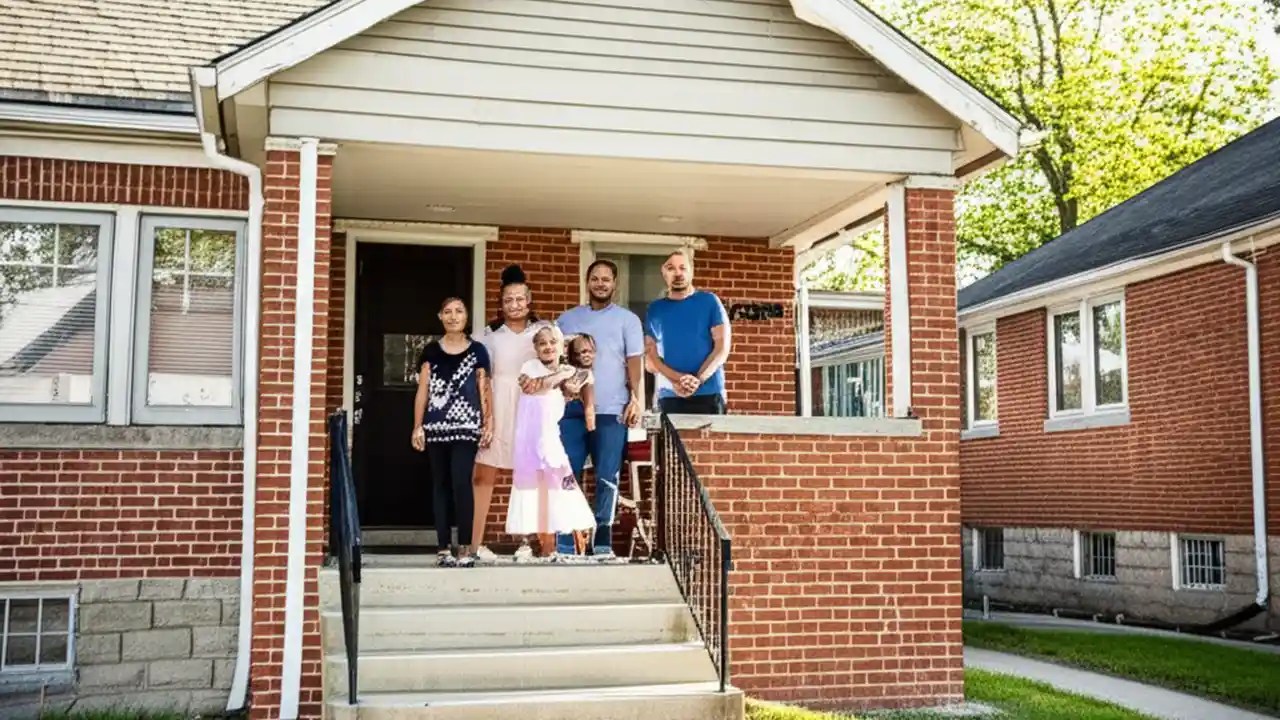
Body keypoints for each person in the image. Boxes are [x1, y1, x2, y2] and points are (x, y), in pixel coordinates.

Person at [553, 259, 644, 561]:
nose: (601, 283)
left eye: (607, 279)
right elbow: (554, 362)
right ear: (587, 281)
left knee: (607, 474)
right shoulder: (566, 320)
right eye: (595, 278)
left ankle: (602, 538)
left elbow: (634, 362)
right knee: (568, 472)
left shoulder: (627, 320)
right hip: (571, 410)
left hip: (611, 408)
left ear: (614, 284)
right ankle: (566, 539)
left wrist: (637, 399)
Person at [410, 297, 491, 568]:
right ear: (440, 316)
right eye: (447, 312)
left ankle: (465, 547)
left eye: (458, 311)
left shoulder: (478, 350)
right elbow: (423, 390)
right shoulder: (431, 351)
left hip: (467, 428)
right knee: (440, 485)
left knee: (461, 482)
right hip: (436, 427)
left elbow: (484, 388)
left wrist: (488, 423)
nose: (453, 316)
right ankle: (443, 547)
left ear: (466, 317)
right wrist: (417, 425)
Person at [506, 325, 596, 562]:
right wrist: (562, 374)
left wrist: (571, 377)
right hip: (528, 439)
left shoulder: (569, 372)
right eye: (542, 343)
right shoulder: (530, 368)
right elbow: (533, 386)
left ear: (561, 347)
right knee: (529, 491)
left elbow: (576, 389)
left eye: (552, 342)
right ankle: (527, 542)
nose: (548, 347)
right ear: (535, 348)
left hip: (549, 438)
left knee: (559, 487)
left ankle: (554, 546)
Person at [471, 265, 541, 563]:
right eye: (508, 300)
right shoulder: (489, 337)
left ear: (528, 301)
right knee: (484, 474)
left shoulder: (543, 333)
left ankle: (525, 541)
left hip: (529, 406)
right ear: (501, 304)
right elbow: (482, 379)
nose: (514, 305)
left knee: (526, 474)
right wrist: (485, 416)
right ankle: (475, 543)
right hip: (497, 405)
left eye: (519, 299)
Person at [644, 249, 731, 415]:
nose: (677, 273)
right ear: (663, 274)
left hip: (709, 394)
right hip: (669, 395)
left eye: (682, 268)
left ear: (691, 271)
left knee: (709, 442)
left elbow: (721, 348)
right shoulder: (655, 309)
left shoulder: (709, 301)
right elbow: (650, 359)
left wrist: (697, 380)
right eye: (671, 268)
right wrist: (675, 381)